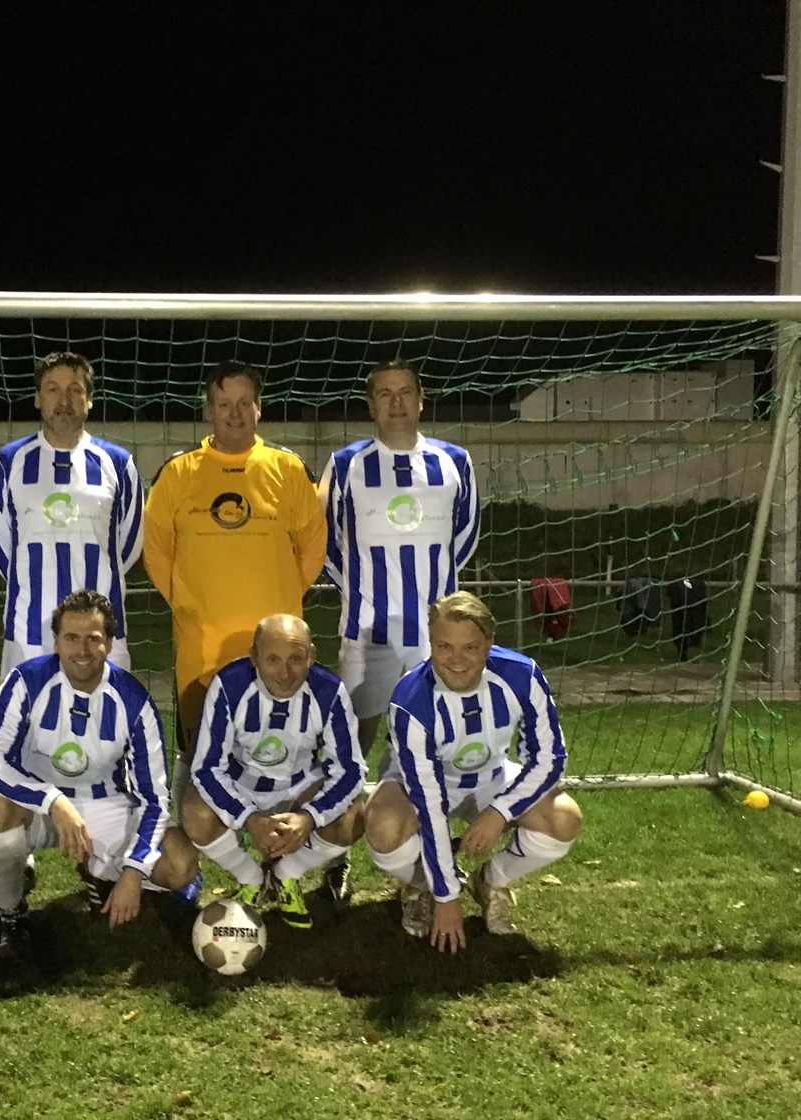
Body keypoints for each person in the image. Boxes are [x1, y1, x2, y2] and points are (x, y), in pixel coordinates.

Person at [0, 589, 199, 961]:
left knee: (180, 863)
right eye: (71, 638)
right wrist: (53, 801)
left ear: (109, 643)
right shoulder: (26, 681)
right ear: (56, 641)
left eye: (93, 639)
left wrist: (133, 871)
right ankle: (12, 914)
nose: (82, 650)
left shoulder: (133, 699)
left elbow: (154, 797)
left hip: (101, 803)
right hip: (36, 803)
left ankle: (105, 876)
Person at [363, 591, 582, 952]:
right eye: (444, 646)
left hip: (492, 779)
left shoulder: (521, 675)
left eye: (471, 647)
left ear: (489, 644)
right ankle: (422, 887)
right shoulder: (410, 699)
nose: (457, 660)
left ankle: (489, 880)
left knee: (564, 818)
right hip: (421, 787)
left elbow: (549, 758)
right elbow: (429, 800)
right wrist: (446, 897)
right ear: (430, 643)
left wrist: (500, 812)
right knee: (383, 825)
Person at [143, 361, 328, 758]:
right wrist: (192, 608)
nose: (234, 413)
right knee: (201, 769)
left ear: (259, 408)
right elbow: (156, 554)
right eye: (224, 404)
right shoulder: (177, 473)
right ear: (208, 410)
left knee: (283, 763)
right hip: (202, 653)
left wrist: (280, 601)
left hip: (278, 658)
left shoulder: (288, 469)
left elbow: (313, 549)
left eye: (245, 403)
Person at [322, 358, 478, 768]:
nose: (396, 403)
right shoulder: (345, 465)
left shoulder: (455, 461)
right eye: (385, 394)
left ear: (421, 400)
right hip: (367, 628)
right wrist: (360, 588)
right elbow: (327, 543)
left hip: (436, 632)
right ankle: (334, 826)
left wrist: (434, 594)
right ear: (370, 405)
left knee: (434, 744)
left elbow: (463, 538)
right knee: (347, 745)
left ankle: (418, 822)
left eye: (405, 392)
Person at [179, 614, 366, 929]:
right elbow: (207, 768)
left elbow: (350, 769)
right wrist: (249, 819)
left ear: (311, 655)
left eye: (296, 658)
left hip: (298, 784)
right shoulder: (229, 685)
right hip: (241, 783)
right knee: (194, 811)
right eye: (273, 660)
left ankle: (285, 876)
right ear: (254, 657)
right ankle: (251, 879)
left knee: (355, 816)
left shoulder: (329, 690)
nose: (285, 672)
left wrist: (310, 818)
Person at [0, 351, 144, 676]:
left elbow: (127, 546)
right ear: (38, 398)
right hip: (28, 634)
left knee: (105, 725)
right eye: (53, 389)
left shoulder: (118, 464)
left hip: (102, 635)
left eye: (75, 390)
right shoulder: (8, 462)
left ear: (89, 400)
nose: (64, 399)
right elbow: (2, 549)